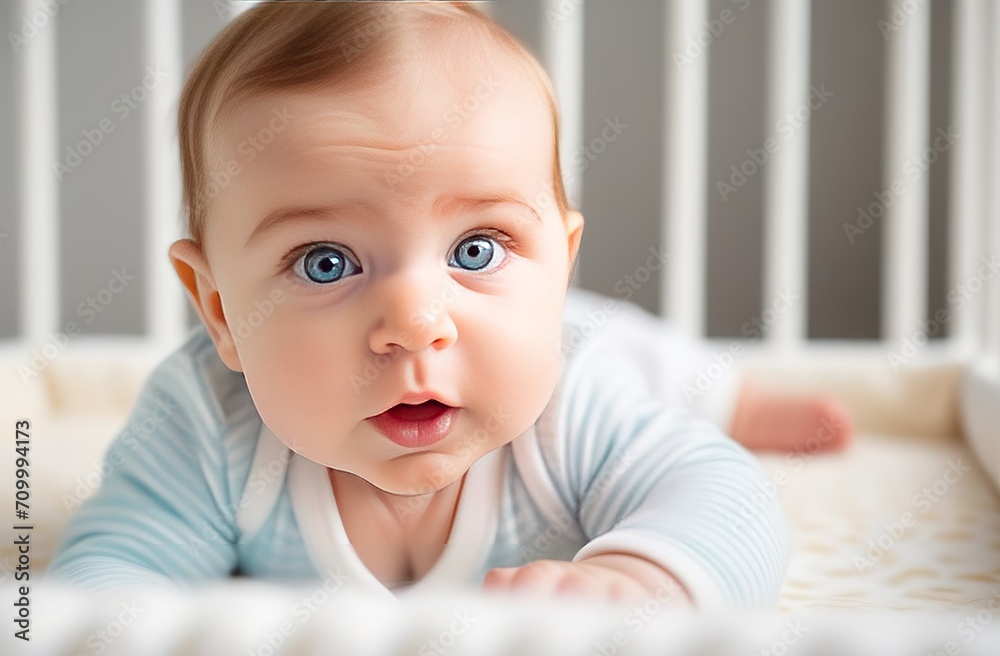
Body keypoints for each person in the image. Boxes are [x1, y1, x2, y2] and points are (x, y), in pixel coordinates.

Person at [46, 1, 831, 607]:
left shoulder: (577, 406)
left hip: (593, 347)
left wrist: (635, 584)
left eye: (475, 250)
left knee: (636, 357)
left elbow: (728, 500)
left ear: (557, 264)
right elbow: (113, 570)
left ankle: (743, 397)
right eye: (327, 263)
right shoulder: (207, 421)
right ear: (220, 312)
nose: (416, 322)